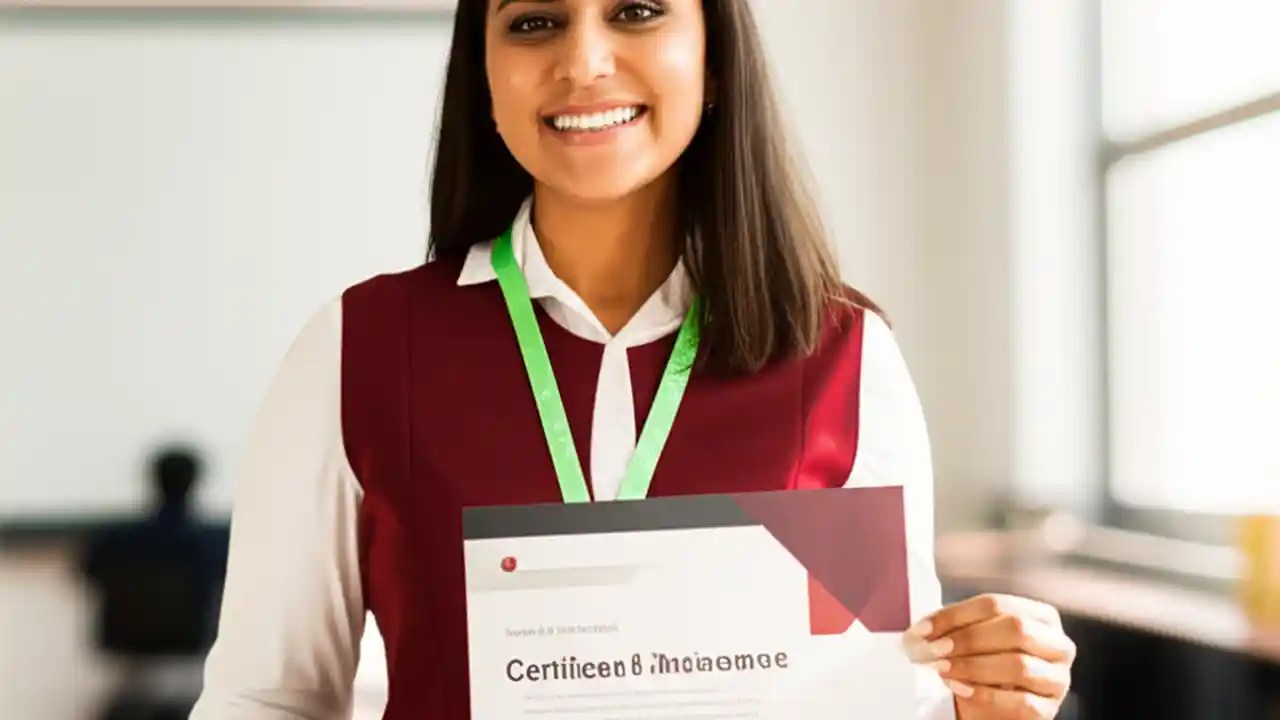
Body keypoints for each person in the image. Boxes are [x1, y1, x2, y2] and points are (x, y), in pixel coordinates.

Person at [190, 0, 1076, 718]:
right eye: (534, 22)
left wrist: (984, 703)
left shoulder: (843, 353)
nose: (583, 61)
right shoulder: (363, 346)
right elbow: (265, 699)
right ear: (484, 77)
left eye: (637, 12)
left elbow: (891, 696)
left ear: (714, 55)